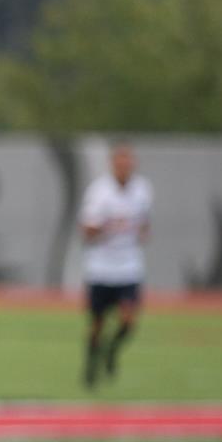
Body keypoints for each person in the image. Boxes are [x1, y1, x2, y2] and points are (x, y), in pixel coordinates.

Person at [78, 142, 152, 388]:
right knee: (97, 324)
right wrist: (109, 226)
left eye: (128, 163)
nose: (124, 167)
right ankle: (91, 362)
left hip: (128, 267)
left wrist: (139, 232)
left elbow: (144, 225)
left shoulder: (142, 190)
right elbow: (87, 231)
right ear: (112, 164)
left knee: (129, 320)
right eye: (120, 163)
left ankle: (112, 350)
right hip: (101, 268)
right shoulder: (99, 192)